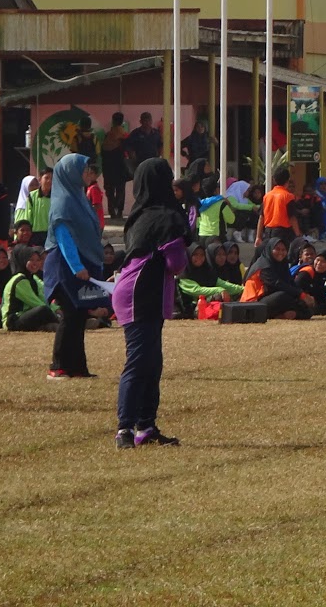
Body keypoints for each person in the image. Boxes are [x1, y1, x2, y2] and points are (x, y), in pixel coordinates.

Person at [112, 157, 191, 448]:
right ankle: (125, 429)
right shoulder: (166, 217)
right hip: (140, 292)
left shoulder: (139, 214)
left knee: (151, 361)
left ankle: (145, 426)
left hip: (138, 288)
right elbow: (176, 263)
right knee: (140, 360)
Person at [42, 153, 105, 380]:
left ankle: (77, 368)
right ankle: (57, 366)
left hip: (79, 264)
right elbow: (63, 236)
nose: (88, 174)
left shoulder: (79, 196)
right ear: (71, 173)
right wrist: (77, 265)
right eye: (84, 170)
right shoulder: (63, 202)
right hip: (64, 265)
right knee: (70, 314)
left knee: (79, 314)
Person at [241, 238, 314, 319]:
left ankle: (282, 316)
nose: (281, 252)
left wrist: (304, 296)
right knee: (284, 296)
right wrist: (301, 295)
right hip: (253, 304)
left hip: (271, 299)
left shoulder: (282, 264)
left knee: (306, 308)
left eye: (283, 250)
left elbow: (290, 282)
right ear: (270, 249)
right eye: (277, 249)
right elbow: (277, 284)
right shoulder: (263, 266)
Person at [2, 245, 58, 332]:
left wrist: (57, 309)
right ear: (24, 261)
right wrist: (55, 314)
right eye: (31, 260)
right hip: (13, 321)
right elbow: (35, 302)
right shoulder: (20, 280)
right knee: (43, 309)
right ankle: (65, 324)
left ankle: (55, 325)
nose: (35, 263)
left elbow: (43, 296)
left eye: (38, 260)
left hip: (26, 315)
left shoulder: (32, 277)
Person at [254, 167, 297, 250]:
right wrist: (298, 234)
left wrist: (258, 237)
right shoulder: (288, 196)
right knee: (282, 256)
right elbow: (292, 218)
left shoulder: (267, 196)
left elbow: (261, 217)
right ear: (287, 181)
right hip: (283, 233)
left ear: (274, 180)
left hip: (268, 232)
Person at [100, 112, 131, 219]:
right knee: (120, 189)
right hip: (120, 166)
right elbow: (128, 151)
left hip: (108, 166)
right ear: (122, 121)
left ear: (113, 121)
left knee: (109, 189)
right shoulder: (125, 135)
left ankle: (112, 211)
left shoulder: (108, 135)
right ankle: (120, 212)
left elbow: (103, 151)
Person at [15, 169, 52, 236]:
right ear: (40, 179)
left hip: (51, 235)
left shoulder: (56, 196)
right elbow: (28, 219)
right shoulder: (31, 197)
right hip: (35, 235)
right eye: (46, 178)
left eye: (52, 179)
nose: (49, 181)